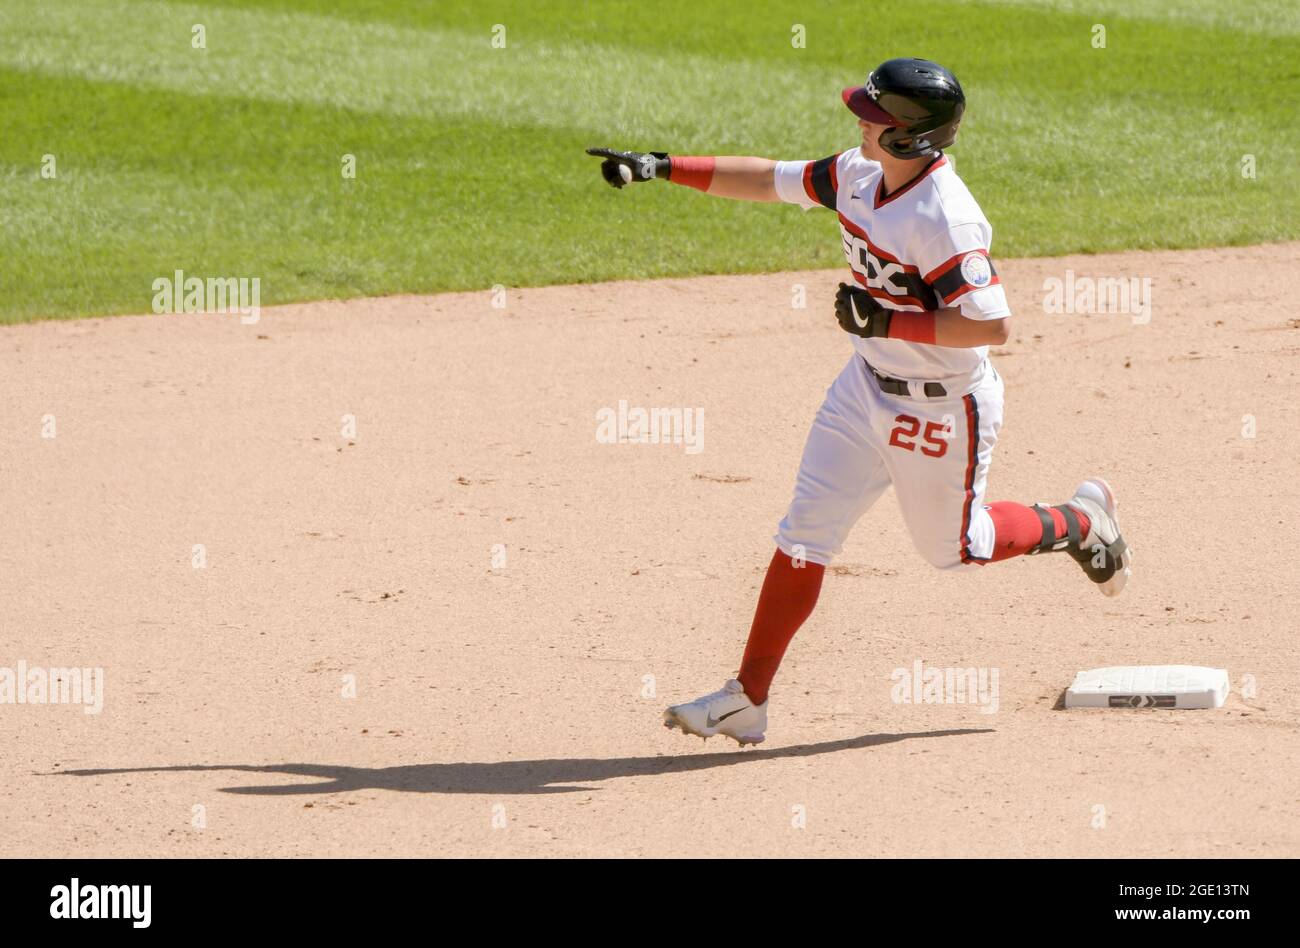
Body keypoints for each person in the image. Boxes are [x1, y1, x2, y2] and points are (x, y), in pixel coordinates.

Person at [587, 57, 1131, 746]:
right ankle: (746, 699)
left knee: (958, 548)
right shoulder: (857, 173)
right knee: (804, 535)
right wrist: (662, 166)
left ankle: (1080, 522)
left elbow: (991, 324)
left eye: (872, 116)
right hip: (863, 387)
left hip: (941, 409)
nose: (858, 121)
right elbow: (768, 177)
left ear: (910, 138)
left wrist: (887, 322)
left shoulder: (947, 220)